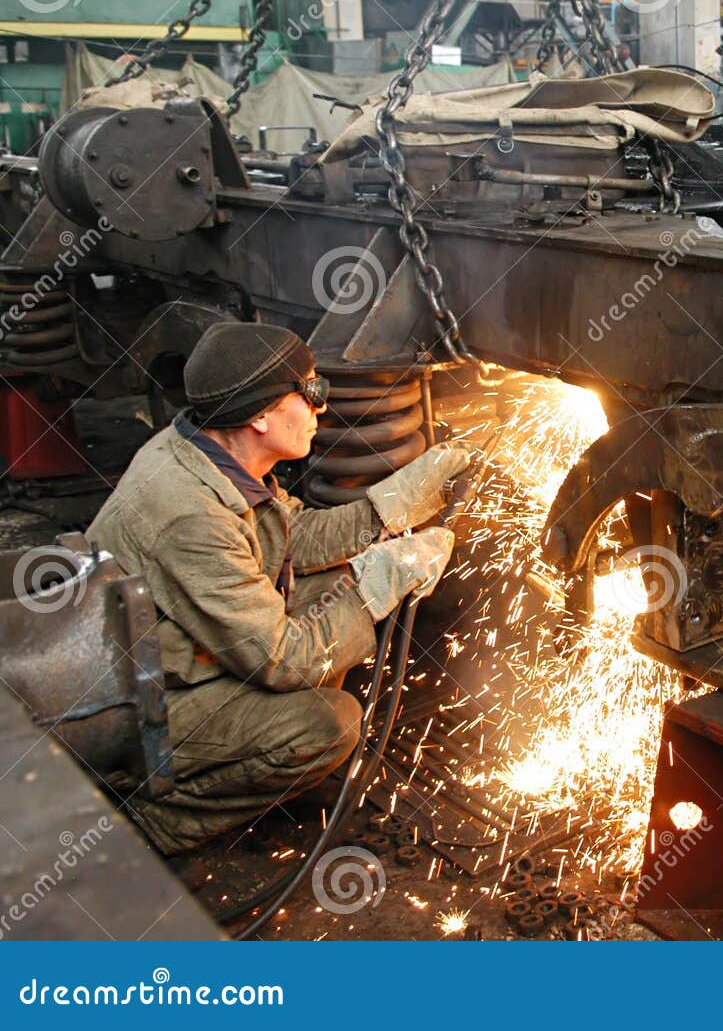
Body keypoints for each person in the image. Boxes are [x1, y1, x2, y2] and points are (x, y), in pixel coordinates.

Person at [88, 322, 473, 855]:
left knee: (337, 584)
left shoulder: (206, 450)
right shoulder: (189, 516)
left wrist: (393, 505)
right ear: (261, 415)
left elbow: (292, 535)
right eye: (312, 392)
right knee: (331, 724)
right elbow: (283, 660)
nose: (321, 408)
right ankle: (156, 820)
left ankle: (275, 764)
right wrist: (378, 585)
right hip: (141, 704)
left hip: (178, 652)